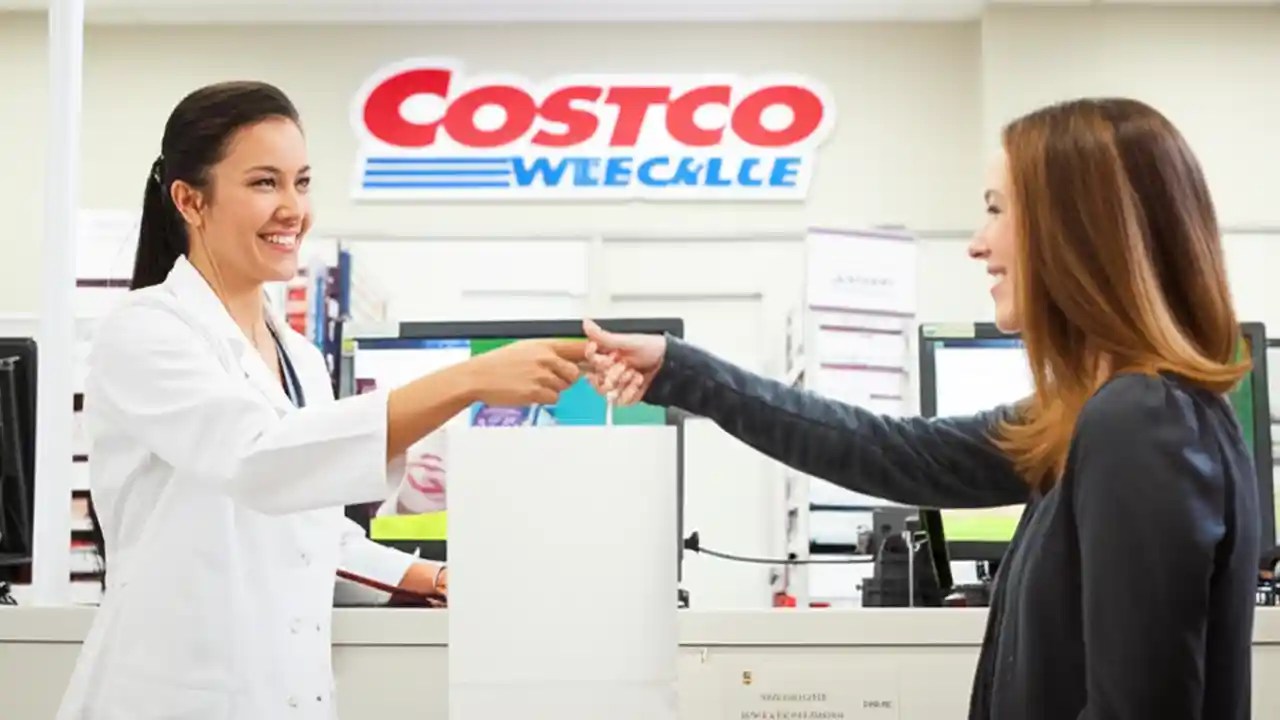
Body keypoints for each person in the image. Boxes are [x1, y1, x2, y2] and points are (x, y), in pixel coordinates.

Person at [584, 97, 1258, 720]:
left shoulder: (1140, 421)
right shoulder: (1102, 415)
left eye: (997, 209)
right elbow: (896, 451)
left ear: (1079, 232)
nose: (976, 244)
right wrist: (683, 370)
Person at [57, 81, 586, 719]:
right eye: (263, 183)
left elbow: (305, 531)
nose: (292, 209)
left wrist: (434, 579)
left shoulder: (300, 358)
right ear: (190, 200)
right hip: (173, 696)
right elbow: (261, 463)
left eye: (301, 182)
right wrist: (467, 381)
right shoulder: (145, 332)